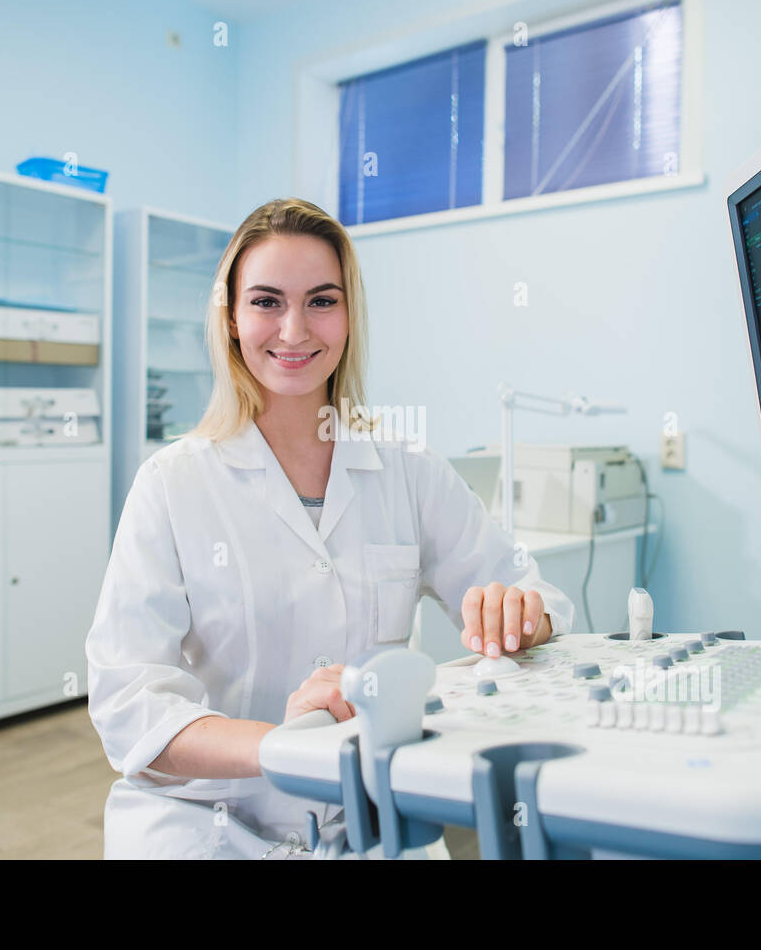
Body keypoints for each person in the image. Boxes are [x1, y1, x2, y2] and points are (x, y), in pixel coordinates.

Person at [86, 197, 575, 859]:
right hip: (204, 825)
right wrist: (285, 745)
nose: (293, 329)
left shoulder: (408, 470)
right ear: (231, 317)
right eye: (265, 301)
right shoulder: (171, 484)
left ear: (349, 316)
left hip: (366, 823)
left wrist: (523, 613)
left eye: (321, 300)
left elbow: (532, 594)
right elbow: (128, 702)